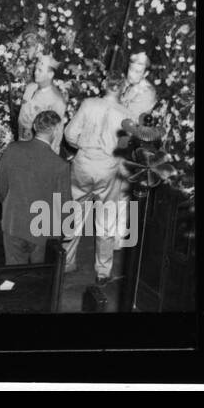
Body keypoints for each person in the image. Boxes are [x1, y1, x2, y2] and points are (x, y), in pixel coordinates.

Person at [62, 74, 137, 281]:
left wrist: (84, 147)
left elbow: (69, 134)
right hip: (108, 168)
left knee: (74, 213)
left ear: (104, 85)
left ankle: (67, 262)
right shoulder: (126, 114)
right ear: (122, 90)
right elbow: (126, 148)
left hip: (83, 163)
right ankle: (103, 271)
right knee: (106, 220)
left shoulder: (88, 104)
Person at [0, 110, 70, 264]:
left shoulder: (13, 149)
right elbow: (63, 205)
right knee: (39, 277)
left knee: (14, 276)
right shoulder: (60, 165)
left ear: (35, 126)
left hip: (13, 223)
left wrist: (9, 207)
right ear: (56, 130)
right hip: (42, 231)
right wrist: (60, 234)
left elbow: (1, 186)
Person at [18, 53, 68, 153]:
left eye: (40, 70)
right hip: (21, 143)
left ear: (50, 74)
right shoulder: (30, 88)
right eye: (36, 69)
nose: (35, 73)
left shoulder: (57, 100)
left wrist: (51, 157)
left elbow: (57, 133)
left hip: (38, 152)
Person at [118, 50, 158, 124]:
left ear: (145, 74)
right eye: (131, 69)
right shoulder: (123, 81)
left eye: (137, 72)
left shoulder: (147, 92)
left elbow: (129, 118)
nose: (131, 75)